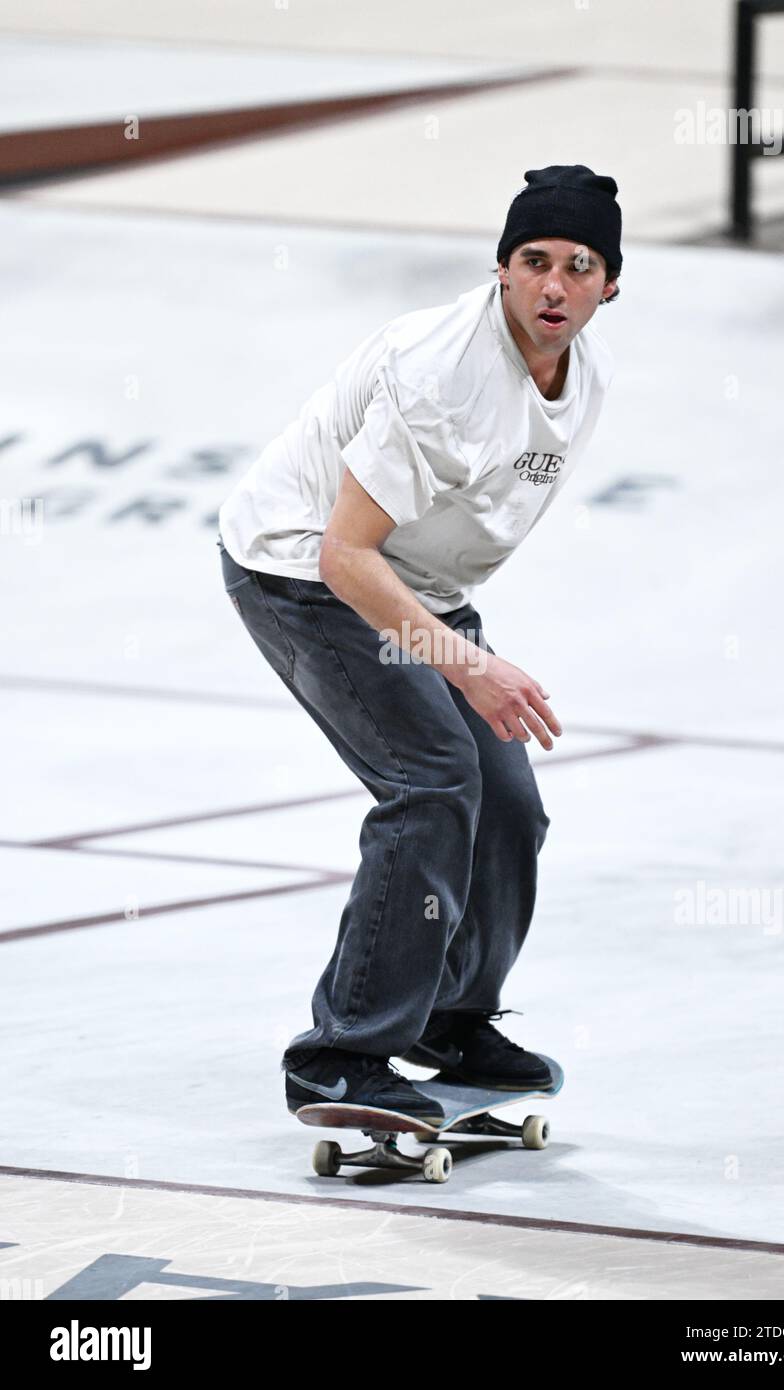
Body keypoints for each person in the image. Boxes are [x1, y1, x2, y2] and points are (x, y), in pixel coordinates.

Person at [217, 164, 622, 1128]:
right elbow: (345, 554)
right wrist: (467, 664)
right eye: (534, 262)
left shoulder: (582, 379)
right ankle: (340, 1051)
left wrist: (454, 645)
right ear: (500, 269)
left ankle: (450, 1017)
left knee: (511, 805)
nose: (554, 286)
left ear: (611, 284)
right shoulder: (443, 373)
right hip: (303, 574)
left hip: (418, 592)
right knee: (434, 781)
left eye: (579, 265)